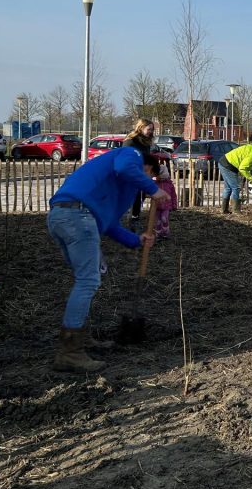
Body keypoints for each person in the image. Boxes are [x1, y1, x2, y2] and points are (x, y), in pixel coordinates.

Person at [48, 147, 168, 372]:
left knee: (84, 280)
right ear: (145, 165)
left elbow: (110, 223)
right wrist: (153, 188)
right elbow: (124, 167)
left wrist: (137, 240)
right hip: (77, 216)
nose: (145, 179)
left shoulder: (122, 187)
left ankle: (79, 339)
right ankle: (69, 351)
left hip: (64, 216)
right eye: (147, 174)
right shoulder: (131, 154)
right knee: (87, 281)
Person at [218, 135, 252, 214]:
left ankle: (224, 210)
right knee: (236, 187)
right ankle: (235, 210)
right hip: (228, 165)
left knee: (228, 188)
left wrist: (251, 177)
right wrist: (251, 178)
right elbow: (242, 168)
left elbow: (248, 167)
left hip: (224, 162)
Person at [124, 118, 155, 224]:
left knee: (140, 196)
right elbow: (125, 158)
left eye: (152, 129)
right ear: (141, 128)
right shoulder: (130, 141)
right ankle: (131, 218)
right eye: (149, 129)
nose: (151, 132)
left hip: (142, 173)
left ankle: (135, 217)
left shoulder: (146, 142)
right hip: (131, 173)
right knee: (134, 196)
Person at [153, 163, 178, 239]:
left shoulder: (169, 184)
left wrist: (174, 205)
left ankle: (166, 232)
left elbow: (173, 195)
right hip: (157, 205)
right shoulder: (155, 183)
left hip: (166, 206)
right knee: (157, 221)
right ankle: (158, 233)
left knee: (164, 218)